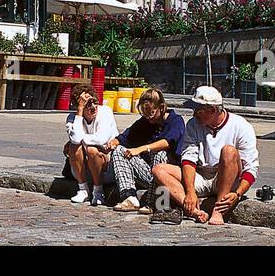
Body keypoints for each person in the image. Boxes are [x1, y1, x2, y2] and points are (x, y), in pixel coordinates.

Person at [152, 86, 259, 225]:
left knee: (229, 151)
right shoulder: (193, 125)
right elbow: (189, 157)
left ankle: (218, 211)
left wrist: (238, 193)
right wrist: (190, 191)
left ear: (213, 110)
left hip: (226, 177)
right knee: (159, 170)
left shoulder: (241, 126)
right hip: (201, 175)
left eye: (198, 110)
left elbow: (251, 167)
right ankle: (194, 211)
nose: (194, 113)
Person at [103, 88, 185, 213]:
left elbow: (168, 142)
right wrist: (114, 142)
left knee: (159, 153)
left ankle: (152, 202)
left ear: (161, 108)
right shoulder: (145, 122)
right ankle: (129, 197)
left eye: (151, 113)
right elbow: (126, 137)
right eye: (144, 113)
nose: (148, 117)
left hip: (166, 174)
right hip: (148, 173)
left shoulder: (176, 121)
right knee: (120, 150)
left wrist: (142, 149)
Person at [63, 81, 118, 205]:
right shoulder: (73, 118)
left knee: (92, 149)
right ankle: (83, 190)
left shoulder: (105, 112)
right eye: (88, 104)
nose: (93, 107)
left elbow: (101, 139)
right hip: (83, 170)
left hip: (105, 169)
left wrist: (81, 140)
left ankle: (98, 192)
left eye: (95, 102)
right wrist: (80, 111)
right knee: (73, 147)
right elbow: (76, 140)